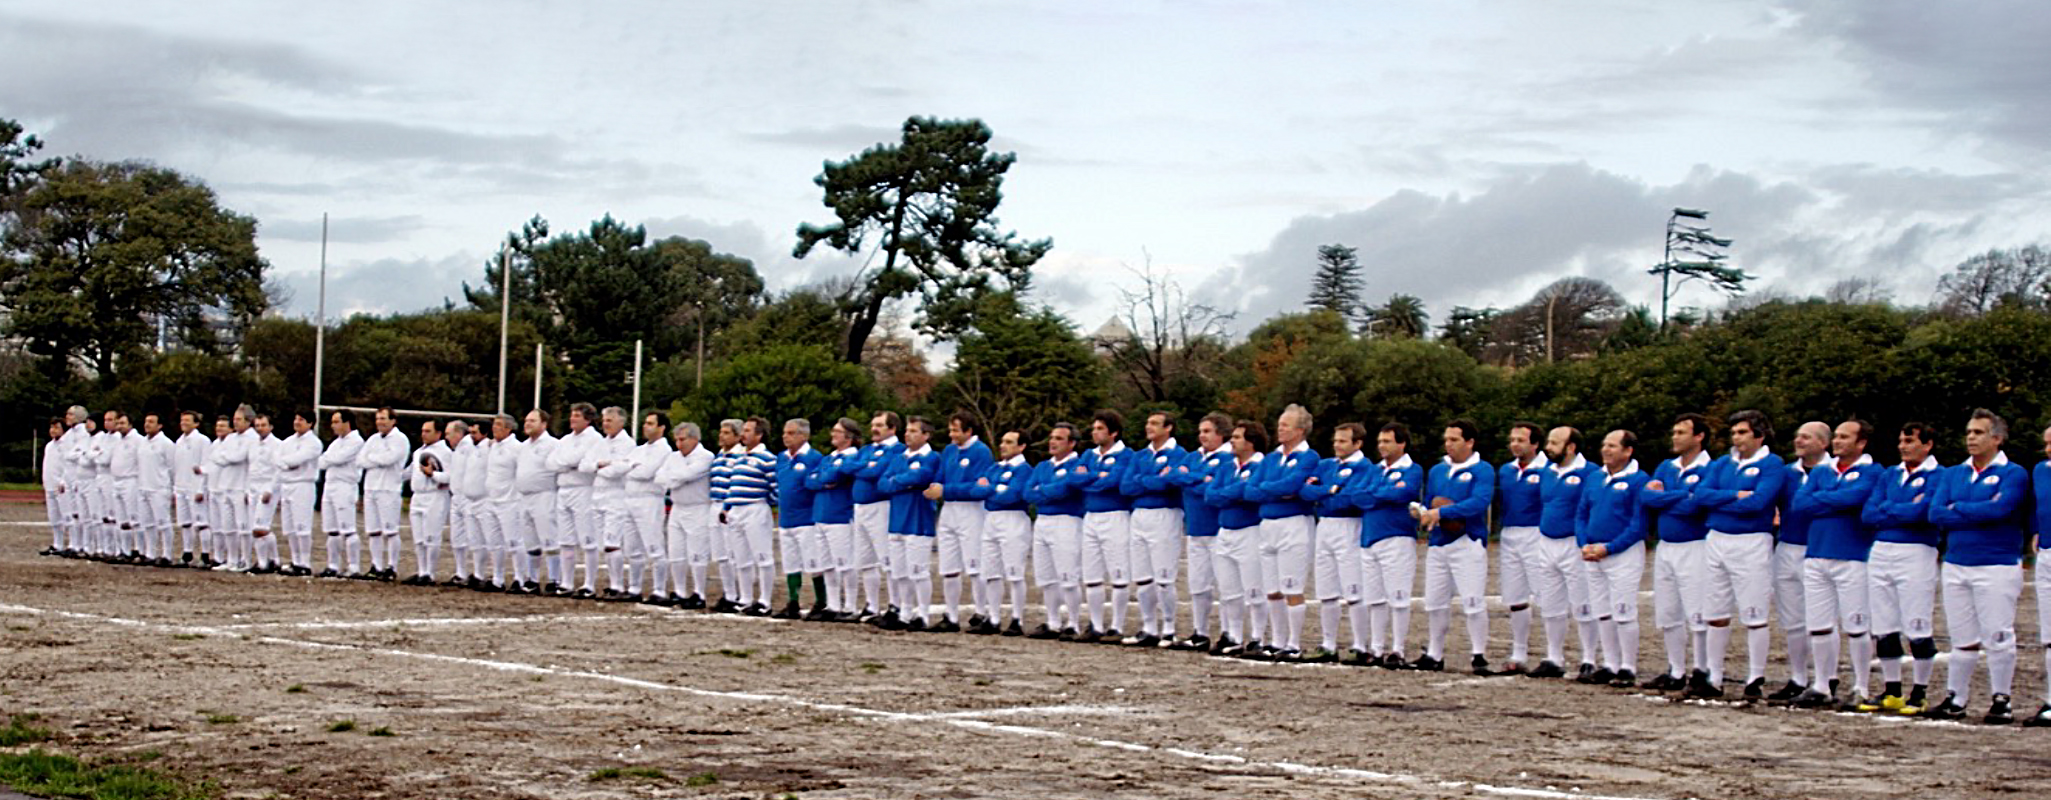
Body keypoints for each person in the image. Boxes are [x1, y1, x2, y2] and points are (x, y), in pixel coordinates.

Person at [1924, 409, 2029, 724]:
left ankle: (2002, 698)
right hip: (1957, 562)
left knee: (1997, 634)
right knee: (1961, 636)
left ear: (1996, 438)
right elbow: (1935, 513)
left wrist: (1960, 508)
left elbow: (2001, 509)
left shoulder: (2013, 473)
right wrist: (1974, 510)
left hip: (1996, 563)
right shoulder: (1954, 473)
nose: (1971, 437)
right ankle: (1956, 697)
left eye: (1978, 432)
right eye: (1969, 432)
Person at [1690, 410, 1788, 700]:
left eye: (1743, 432)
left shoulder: (1772, 464)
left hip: (1751, 541)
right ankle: (1715, 677)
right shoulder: (1722, 463)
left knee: (1754, 612)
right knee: (1715, 613)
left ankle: (1755, 677)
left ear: (1759, 435)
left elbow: (1759, 503)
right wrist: (1734, 496)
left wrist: (1723, 500)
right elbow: (1701, 495)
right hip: (1718, 538)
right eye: (1734, 433)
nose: (1736, 438)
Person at [1791, 420, 1883, 710]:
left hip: (1853, 555)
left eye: (1845, 437)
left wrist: (1824, 500)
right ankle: (1822, 683)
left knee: (1856, 624)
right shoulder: (1821, 471)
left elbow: (1857, 498)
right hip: (1817, 553)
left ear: (1861, 443)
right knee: (1819, 625)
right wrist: (1836, 502)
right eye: (1837, 437)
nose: (1837, 442)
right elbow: (1800, 504)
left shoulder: (1873, 471)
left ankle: (1861, 685)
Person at [1858, 422, 1942, 715]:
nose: (1903, 446)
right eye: (1901, 441)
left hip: (1916, 551)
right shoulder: (1889, 474)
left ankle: (1919, 692)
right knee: (1884, 624)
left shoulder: (1938, 475)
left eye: (1909, 440)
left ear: (1927, 444)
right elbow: (1868, 513)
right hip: (1882, 550)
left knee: (1917, 621)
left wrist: (1890, 509)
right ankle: (1891, 689)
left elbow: (1924, 513)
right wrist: (1900, 509)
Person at [1412, 419, 1496, 674]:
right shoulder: (1438, 470)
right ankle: (1434, 653)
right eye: (1446, 439)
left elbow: (1479, 502)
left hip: (1467, 540)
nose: (1448, 444)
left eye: (1454, 439)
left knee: (1472, 600)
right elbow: (1429, 501)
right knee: (1435, 602)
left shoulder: (1482, 470)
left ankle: (1479, 654)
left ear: (1469, 442)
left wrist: (1443, 512)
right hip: (1439, 542)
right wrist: (1425, 513)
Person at [1639, 413, 1713, 691]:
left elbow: (1697, 506)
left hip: (1696, 545)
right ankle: (1676, 669)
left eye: (1681, 432)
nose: (1675, 437)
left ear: (1699, 436)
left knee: (1697, 610)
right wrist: (1682, 495)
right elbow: (1647, 499)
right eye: (1674, 432)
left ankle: (1702, 669)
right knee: (1668, 611)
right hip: (1666, 546)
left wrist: (1665, 498)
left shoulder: (1711, 468)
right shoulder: (1666, 467)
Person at [1764, 420, 1831, 704]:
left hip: (1820, 549)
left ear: (1823, 442)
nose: (1799, 441)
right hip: (1788, 546)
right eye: (1797, 436)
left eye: (1806, 437)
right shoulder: (1786, 473)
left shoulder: (1835, 472)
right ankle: (1798, 677)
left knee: (1822, 619)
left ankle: (1826, 678)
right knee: (1792, 620)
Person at [1577, 429, 1650, 688]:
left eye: (1613, 446)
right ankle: (1610, 663)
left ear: (1627, 451)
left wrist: (1610, 547)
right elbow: (1582, 514)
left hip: (1623, 554)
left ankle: (1628, 666)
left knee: (1623, 611)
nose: (1606, 450)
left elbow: (1638, 523)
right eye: (1604, 445)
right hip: (1593, 553)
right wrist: (1583, 543)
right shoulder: (1595, 478)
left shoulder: (1639, 480)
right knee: (1602, 611)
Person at [1247, 404, 1319, 660]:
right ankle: (1277, 641)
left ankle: (1294, 643)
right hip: (1268, 525)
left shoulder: (1308, 457)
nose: (1280, 429)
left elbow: (1293, 485)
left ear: (1300, 430)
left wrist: (1272, 489)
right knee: (1272, 589)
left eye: (1286, 425)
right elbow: (1250, 490)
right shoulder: (1271, 458)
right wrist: (1278, 490)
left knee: (1292, 586)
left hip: (1294, 524)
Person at [1349, 422, 1422, 668]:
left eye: (1387, 441)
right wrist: (1379, 494)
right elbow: (1356, 495)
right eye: (1380, 441)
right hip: (1369, 537)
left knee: (1398, 596)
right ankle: (1377, 648)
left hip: (1396, 537)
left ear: (1401, 443)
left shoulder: (1412, 469)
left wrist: (1375, 495)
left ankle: (1398, 648)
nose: (1382, 446)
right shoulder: (1375, 470)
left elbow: (1402, 494)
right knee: (1375, 598)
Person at [1163, 412, 1235, 652]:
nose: (1201, 436)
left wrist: (1189, 478)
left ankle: (1228, 632)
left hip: (1218, 529)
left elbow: (1211, 488)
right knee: (1198, 584)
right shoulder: (1194, 457)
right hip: (1194, 529)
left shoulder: (1228, 459)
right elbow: (1174, 476)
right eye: (1200, 431)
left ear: (1221, 434)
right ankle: (1200, 632)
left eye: (1207, 431)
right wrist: (1196, 478)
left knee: (1226, 585)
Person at [1301, 422, 1371, 662]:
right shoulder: (1325, 465)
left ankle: (1360, 645)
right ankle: (1328, 643)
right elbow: (1305, 491)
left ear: (1357, 443)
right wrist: (1328, 491)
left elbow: (1350, 499)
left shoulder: (1364, 467)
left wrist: (1325, 493)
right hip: (1325, 526)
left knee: (1353, 588)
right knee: (1326, 590)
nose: (1337, 445)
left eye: (1343, 441)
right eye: (1336, 440)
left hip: (1349, 525)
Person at [1531, 426, 1597, 679]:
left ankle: (1589, 658)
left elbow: (1589, 508)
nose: (1548, 447)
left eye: (1554, 443)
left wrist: (1585, 541)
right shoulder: (1547, 472)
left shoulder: (1589, 472)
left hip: (1573, 543)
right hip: (1547, 542)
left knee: (1582, 602)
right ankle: (1553, 656)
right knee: (1551, 604)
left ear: (1570, 447)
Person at [1122, 411, 1186, 648]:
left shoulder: (1179, 455)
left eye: (1155, 423)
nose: (1149, 427)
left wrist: (1145, 481)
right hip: (1139, 516)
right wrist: (1152, 480)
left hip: (1165, 515)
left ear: (1168, 427)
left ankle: (1168, 627)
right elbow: (1127, 486)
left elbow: (1168, 484)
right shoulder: (1140, 455)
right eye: (1148, 422)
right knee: (1143, 577)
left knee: (1164, 577)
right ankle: (1148, 626)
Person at [1205, 420, 1268, 656]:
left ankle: (1257, 637)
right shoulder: (1227, 466)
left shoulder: (1261, 464)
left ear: (1251, 441)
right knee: (1229, 590)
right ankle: (1233, 634)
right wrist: (1231, 492)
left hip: (1249, 530)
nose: (1232, 441)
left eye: (1238, 437)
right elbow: (1211, 496)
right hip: (1225, 531)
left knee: (1254, 589)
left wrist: (1228, 492)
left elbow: (1248, 492)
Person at [1494, 422, 1550, 675]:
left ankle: (1552, 653)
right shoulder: (1506, 471)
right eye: (1512, 439)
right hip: (1510, 533)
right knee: (1515, 598)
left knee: (1545, 595)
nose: (1515, 444)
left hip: (1536, 532)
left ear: (1535, 444)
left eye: (1521, 440)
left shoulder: (1549, 469)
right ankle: (1519, 651)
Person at [930, 413, 994, 632]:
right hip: (949, 510)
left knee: (975, 564)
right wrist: (936, 487)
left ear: (969, 431)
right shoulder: (949, 450)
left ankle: (982, 612)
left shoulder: (981, 452)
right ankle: (951, 615)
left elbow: (978, 488)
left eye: (956, 430)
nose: (951, 434)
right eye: (950, 429)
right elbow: (940, 476)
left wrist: (946, 489)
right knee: (948, 566)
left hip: (971, 511)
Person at [1076, 410, 1136, 643]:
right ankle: (1096, 624)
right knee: (1092, 575)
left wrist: (1089, 478)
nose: (1095, 432)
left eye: (1100, 428)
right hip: (1091, 516)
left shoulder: (1125, 454)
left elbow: (1114, 482)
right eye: (1094, 428)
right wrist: (1095, 477)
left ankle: (1117, 626)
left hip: (1115, 516)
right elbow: (1074, 480)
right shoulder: (1089, 455)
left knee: (1118, 573)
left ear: (1114, 432)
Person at [1025, 422, 1087, 640]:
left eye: (1059, 438)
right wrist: (1046, 491)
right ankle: (1053, 621)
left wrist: (1042, 490)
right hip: (1043, 521)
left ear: (1072, 443)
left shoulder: (1077, 465)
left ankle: (1073, 622)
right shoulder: (1043, 466)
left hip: (1067, 521)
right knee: (1047, 577)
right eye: (1052, 437)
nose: (1053, 442)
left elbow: (1065, 490)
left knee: (1068, 575)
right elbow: (1028, 493)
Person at [967, 428, 1033, 635]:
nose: (1003, 445)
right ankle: (993, 618)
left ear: (1021, 446)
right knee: (991, 572)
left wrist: (990, 489)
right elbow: (976, 490)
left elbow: (1012, 495)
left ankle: (1017, 619)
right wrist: (996, 489)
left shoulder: (1024, 469)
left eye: (1009, 442)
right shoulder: (994, 468)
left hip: (1013, 519)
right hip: (991, 519)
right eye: (1003, 441)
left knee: (1014, 573)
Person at [879, 416, 942, 631]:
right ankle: (904, 612)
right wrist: (902, 481)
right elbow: (883, 484)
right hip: (897, 521)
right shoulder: (898, 457)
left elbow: (921, 477)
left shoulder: (932, 457)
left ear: (926, 435)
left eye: (914, 431)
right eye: (907, 430)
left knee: (918, 571)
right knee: (899, 572)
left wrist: (899, 481)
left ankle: (922, 614)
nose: (908, 434)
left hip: (918, 521)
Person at [805, 419, 863, 619]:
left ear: (849, 436)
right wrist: (822, 480)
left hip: (840, 516)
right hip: (821, 515)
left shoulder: (852, 456)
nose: (832, 434)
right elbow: (810, 480)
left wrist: (822, 479)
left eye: (837, 431)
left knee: (845, 563)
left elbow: (833, 477)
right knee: (827, 565)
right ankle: (833, 604)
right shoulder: (829, 458)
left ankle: (850, 605)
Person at [853, 413, 907, 624]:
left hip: (881, 507)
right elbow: (849, 468)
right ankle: (872, 605)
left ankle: (895, 604)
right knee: (866, 560)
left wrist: (864, 468)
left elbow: (879, 472)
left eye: (879, 425)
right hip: (860, 508)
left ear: (892, 428)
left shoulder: (897, 450)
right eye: (873, 425)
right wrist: (865, 468)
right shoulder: (867, 450)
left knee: (888, 558)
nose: (874, 429)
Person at [656, 422, 715, 608]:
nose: (679, 444)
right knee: (676, 552)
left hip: (698, 507)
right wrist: (674, 478)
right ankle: (679, 590)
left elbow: (687, 475)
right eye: (677, 440)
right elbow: (659, 478)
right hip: (678, 507)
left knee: (697, 552)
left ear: (695, 439)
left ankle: (699, 592)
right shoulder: (673, 457)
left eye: (683, 439)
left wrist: (673, 477)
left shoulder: (705, 456)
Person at [722, 417, 778, 614]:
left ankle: (765, 600)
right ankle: (745, 598)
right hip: (736, 510)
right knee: (741, 558)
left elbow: (775, 487)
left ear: (758, 435)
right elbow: (733, 485)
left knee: (762, 556)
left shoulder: (767, 458)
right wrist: (727, 507)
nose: (743, 434)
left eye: (747, 430)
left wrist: (767, 504)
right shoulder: (739, 459)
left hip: (755, 508)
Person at [550, 403, 604, 597]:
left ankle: (589, 584)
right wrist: (567, 463)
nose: (572, 419)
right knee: (565, 539)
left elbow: (579, 461)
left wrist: (565, 462)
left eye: (577, 416)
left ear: (587, 419)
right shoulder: (565, 439)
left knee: (588, 538)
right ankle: (566, 582)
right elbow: (551, 462)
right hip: (564, 490)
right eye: (571, 415)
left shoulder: (594, 439)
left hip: (583, 490)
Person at [585, 407, 638, 599]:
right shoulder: (600, 443)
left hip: (616, 497)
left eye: (610, 420)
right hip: (598, 496)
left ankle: (617, 585)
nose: (605, 424)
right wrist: (601, 465)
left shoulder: (628, 444)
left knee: (612, 542)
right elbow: (584, 465)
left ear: (621, 422)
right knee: (602, 544)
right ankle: (612, 582)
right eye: (604, 420)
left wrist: (599, 467)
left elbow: (620, 469)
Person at [776, 418, 826, 619]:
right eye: (785, 432)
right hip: (786, 518)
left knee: (814, 563)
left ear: (803, 435)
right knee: (790, 563)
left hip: (807, 519)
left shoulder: (814, 458)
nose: (785, 436)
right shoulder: (781, 458)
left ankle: (821, 601)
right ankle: (793, 601)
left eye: (790, 433)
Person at [621, 411, 673, 601]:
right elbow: (622, 467)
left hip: (649, 500)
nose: (646, 426)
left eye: (651, 423)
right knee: (632, 547)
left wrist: (629, 467)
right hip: (630, 498)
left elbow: (645, 472)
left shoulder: (664, 450)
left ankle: (659, 589)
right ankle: (634, 587)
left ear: (661, 428)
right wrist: (630, 467)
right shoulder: (639, 450)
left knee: (654, 545)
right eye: (646, 423)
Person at [356, 407, 410, 581]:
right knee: (373, 531)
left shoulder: (400, 439)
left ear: (393, 420)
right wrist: (376, 459)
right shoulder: (373, 439)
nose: (380, 422)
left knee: (390, 530)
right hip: (371, 487)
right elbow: (360, 460)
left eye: (383, 418)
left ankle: (391, 567)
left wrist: (373, 459)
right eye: (378, 418)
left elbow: (390, 459)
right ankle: (376, 566)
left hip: (389, 488)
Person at [512, 410, 561, 594]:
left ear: (544, 424)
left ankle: (554, 579)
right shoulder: (523, 446)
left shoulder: (553, 445)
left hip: (544, 496)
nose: (528, 424)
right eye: (526, 420)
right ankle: (532, 580)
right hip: (525, 497)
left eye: (532, 420)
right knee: (530, 541)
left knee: (550, 538)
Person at [317, 410, 366, 578]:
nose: (333, 426)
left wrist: (330, 459)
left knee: (348, 528)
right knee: (332, 529)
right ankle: (333, 565)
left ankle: (354, 566)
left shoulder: (357, 441)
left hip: (345, 486)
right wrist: (330, 459)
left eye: (336, 422)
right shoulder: (336, 442)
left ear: (347, 423)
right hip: (330, 485)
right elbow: (322, 461)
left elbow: (337, 459)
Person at [405, 418, 454, 586]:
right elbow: (411, 472)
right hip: (418, 496)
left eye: (428, 431)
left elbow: (449, 477)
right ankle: (421, 570)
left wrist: (432, 475)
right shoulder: (418, 451)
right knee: (418, 538)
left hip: (435, 496)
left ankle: (430, 573)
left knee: (431, 536)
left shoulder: (446, 453)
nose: (423, 434)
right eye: (423, 431)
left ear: (438, 433)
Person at [275, 411, 323, 576]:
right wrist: (287, 463)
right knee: (289, 528)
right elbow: (277, 460)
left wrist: (286, 463)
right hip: (287, 485)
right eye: (296, 419)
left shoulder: (314, 443)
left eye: (301, 420)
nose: (297, 422)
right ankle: (295, 561)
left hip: (303, 485)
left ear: (310, 423)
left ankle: (305, 562)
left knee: (302, 526)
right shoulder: (287, 442)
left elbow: (297, 460)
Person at [210, 407, 256, 572]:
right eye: (235, 419)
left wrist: (225, 457)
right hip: (226, 486)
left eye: (239, 419)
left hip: (240, 487)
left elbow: (238, 457)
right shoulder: (230, 438)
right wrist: (226, 457)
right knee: (227, 527)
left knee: (243, 527)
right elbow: (216, 457)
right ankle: (231, 559)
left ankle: (246, 559)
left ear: (248, 421)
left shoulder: (252, 438)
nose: (235, 422)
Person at [705, 419, 744, 612]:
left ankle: (739, 593)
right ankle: (728, 593)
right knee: (721, 555)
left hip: (730, 506)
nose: (722, 436)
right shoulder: (718, 456)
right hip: (714, 504)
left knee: (733, 552)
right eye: (721, 432)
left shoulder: (741, 456)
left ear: (738, 436)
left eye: (727, 433)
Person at [481, 413, 521, 591]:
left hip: (510, 501)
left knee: (514, 542)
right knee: (493, 542)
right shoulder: (492, 446)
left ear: (508, 428)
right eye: (494, 425)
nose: (494, 428)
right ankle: (497, 578)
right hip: (491, 500)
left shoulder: (516, 448)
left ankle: (520, 577)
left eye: (498, 425)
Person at [450, 420, 490, 588]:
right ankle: (461, 573)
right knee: (458, 538)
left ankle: (480, 573)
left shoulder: (477, 447)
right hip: (458, 495)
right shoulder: (462, 449)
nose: (447, 438)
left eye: (448, 433)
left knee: (478, 538)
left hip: (474, 497)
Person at [2030, 425, 2051, 726]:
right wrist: (2035, 529)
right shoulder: (2041, 470)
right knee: (2050, 635)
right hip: (2047, 553)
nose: (2048, 449)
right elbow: (2038, 505)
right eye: (2046, 443)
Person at [171, 410, 210, 566]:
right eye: (182, 420)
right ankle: (187, 553)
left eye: (187, 420)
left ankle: (205, 555)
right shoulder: (179, 442)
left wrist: (201, 489)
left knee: (201, 523)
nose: (184, 423)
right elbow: (176, 467)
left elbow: (206, 465)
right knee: (185, 522)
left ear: (196, 423)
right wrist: (175, 489)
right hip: (181, 487)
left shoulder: (202, 441)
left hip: (195, 488)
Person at [246, 413, 283, 573]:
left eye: (263, 425)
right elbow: (251, 468)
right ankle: (269, 560)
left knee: (260, 527)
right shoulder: (252, 444)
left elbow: (278, 469)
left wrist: (271, 489)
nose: (260, 429)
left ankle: (268, 561)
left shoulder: (277, 445)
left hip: (267, 488)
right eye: (257, 426)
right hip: (253, 487)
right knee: (254, 527)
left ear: (271, 426)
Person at [105, 411, 141, 561]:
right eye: (118, 423)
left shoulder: (138, 440)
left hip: (131, 481)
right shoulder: (118, 440)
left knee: (135, 519)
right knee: (121, 519)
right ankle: (124, 551)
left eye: (123, 423)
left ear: (130, 425)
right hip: (117, 481)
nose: (120, 426)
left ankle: (140, 550)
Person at [40, 418, 68, 556]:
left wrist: (63, 481)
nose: (53, 430)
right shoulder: (49, 446)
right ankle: (58, 544)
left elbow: (68, 466)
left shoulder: (66, 445)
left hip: (61, 487)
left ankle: (75, 544)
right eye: (52, 427)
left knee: (66, 516)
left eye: (57, 427)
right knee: (54, 517)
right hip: (49, 486)